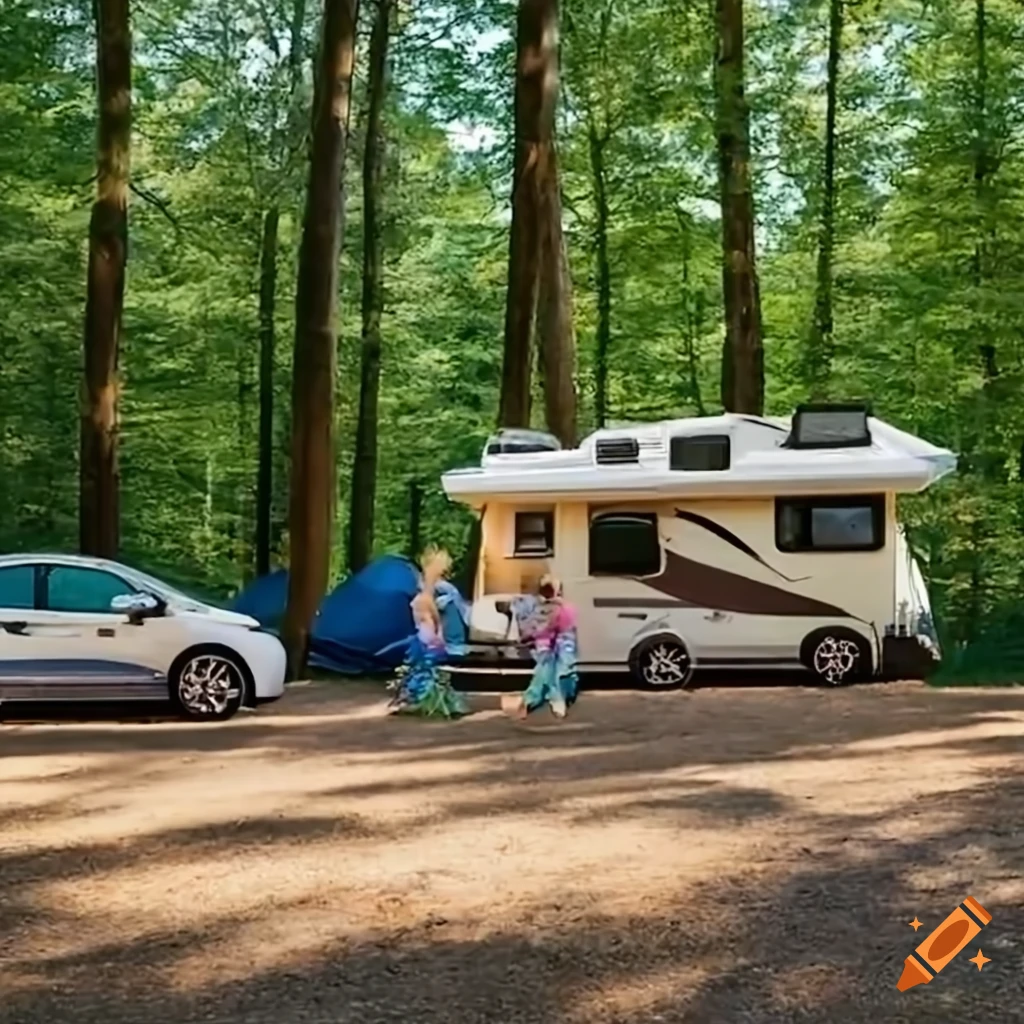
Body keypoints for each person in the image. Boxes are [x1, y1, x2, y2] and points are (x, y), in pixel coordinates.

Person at [388, 546, 469, 718]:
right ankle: (430, 702)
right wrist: (438, 638)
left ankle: (425, 702)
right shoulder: (430, 600)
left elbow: (432, 623)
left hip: (426, 640)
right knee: (426, 672)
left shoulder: (426, 599)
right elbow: (437, 624)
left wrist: (431, 640)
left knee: (424, 671)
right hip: (430, 640)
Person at [504, 574, 579, 720]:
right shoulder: (560, 607)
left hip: (552, 644)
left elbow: (542, 627)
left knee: (548, 672)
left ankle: (532, 702)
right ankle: (553, 701)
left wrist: (528, 637)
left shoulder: (548, 607)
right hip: (558, 645)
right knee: (557, 673)